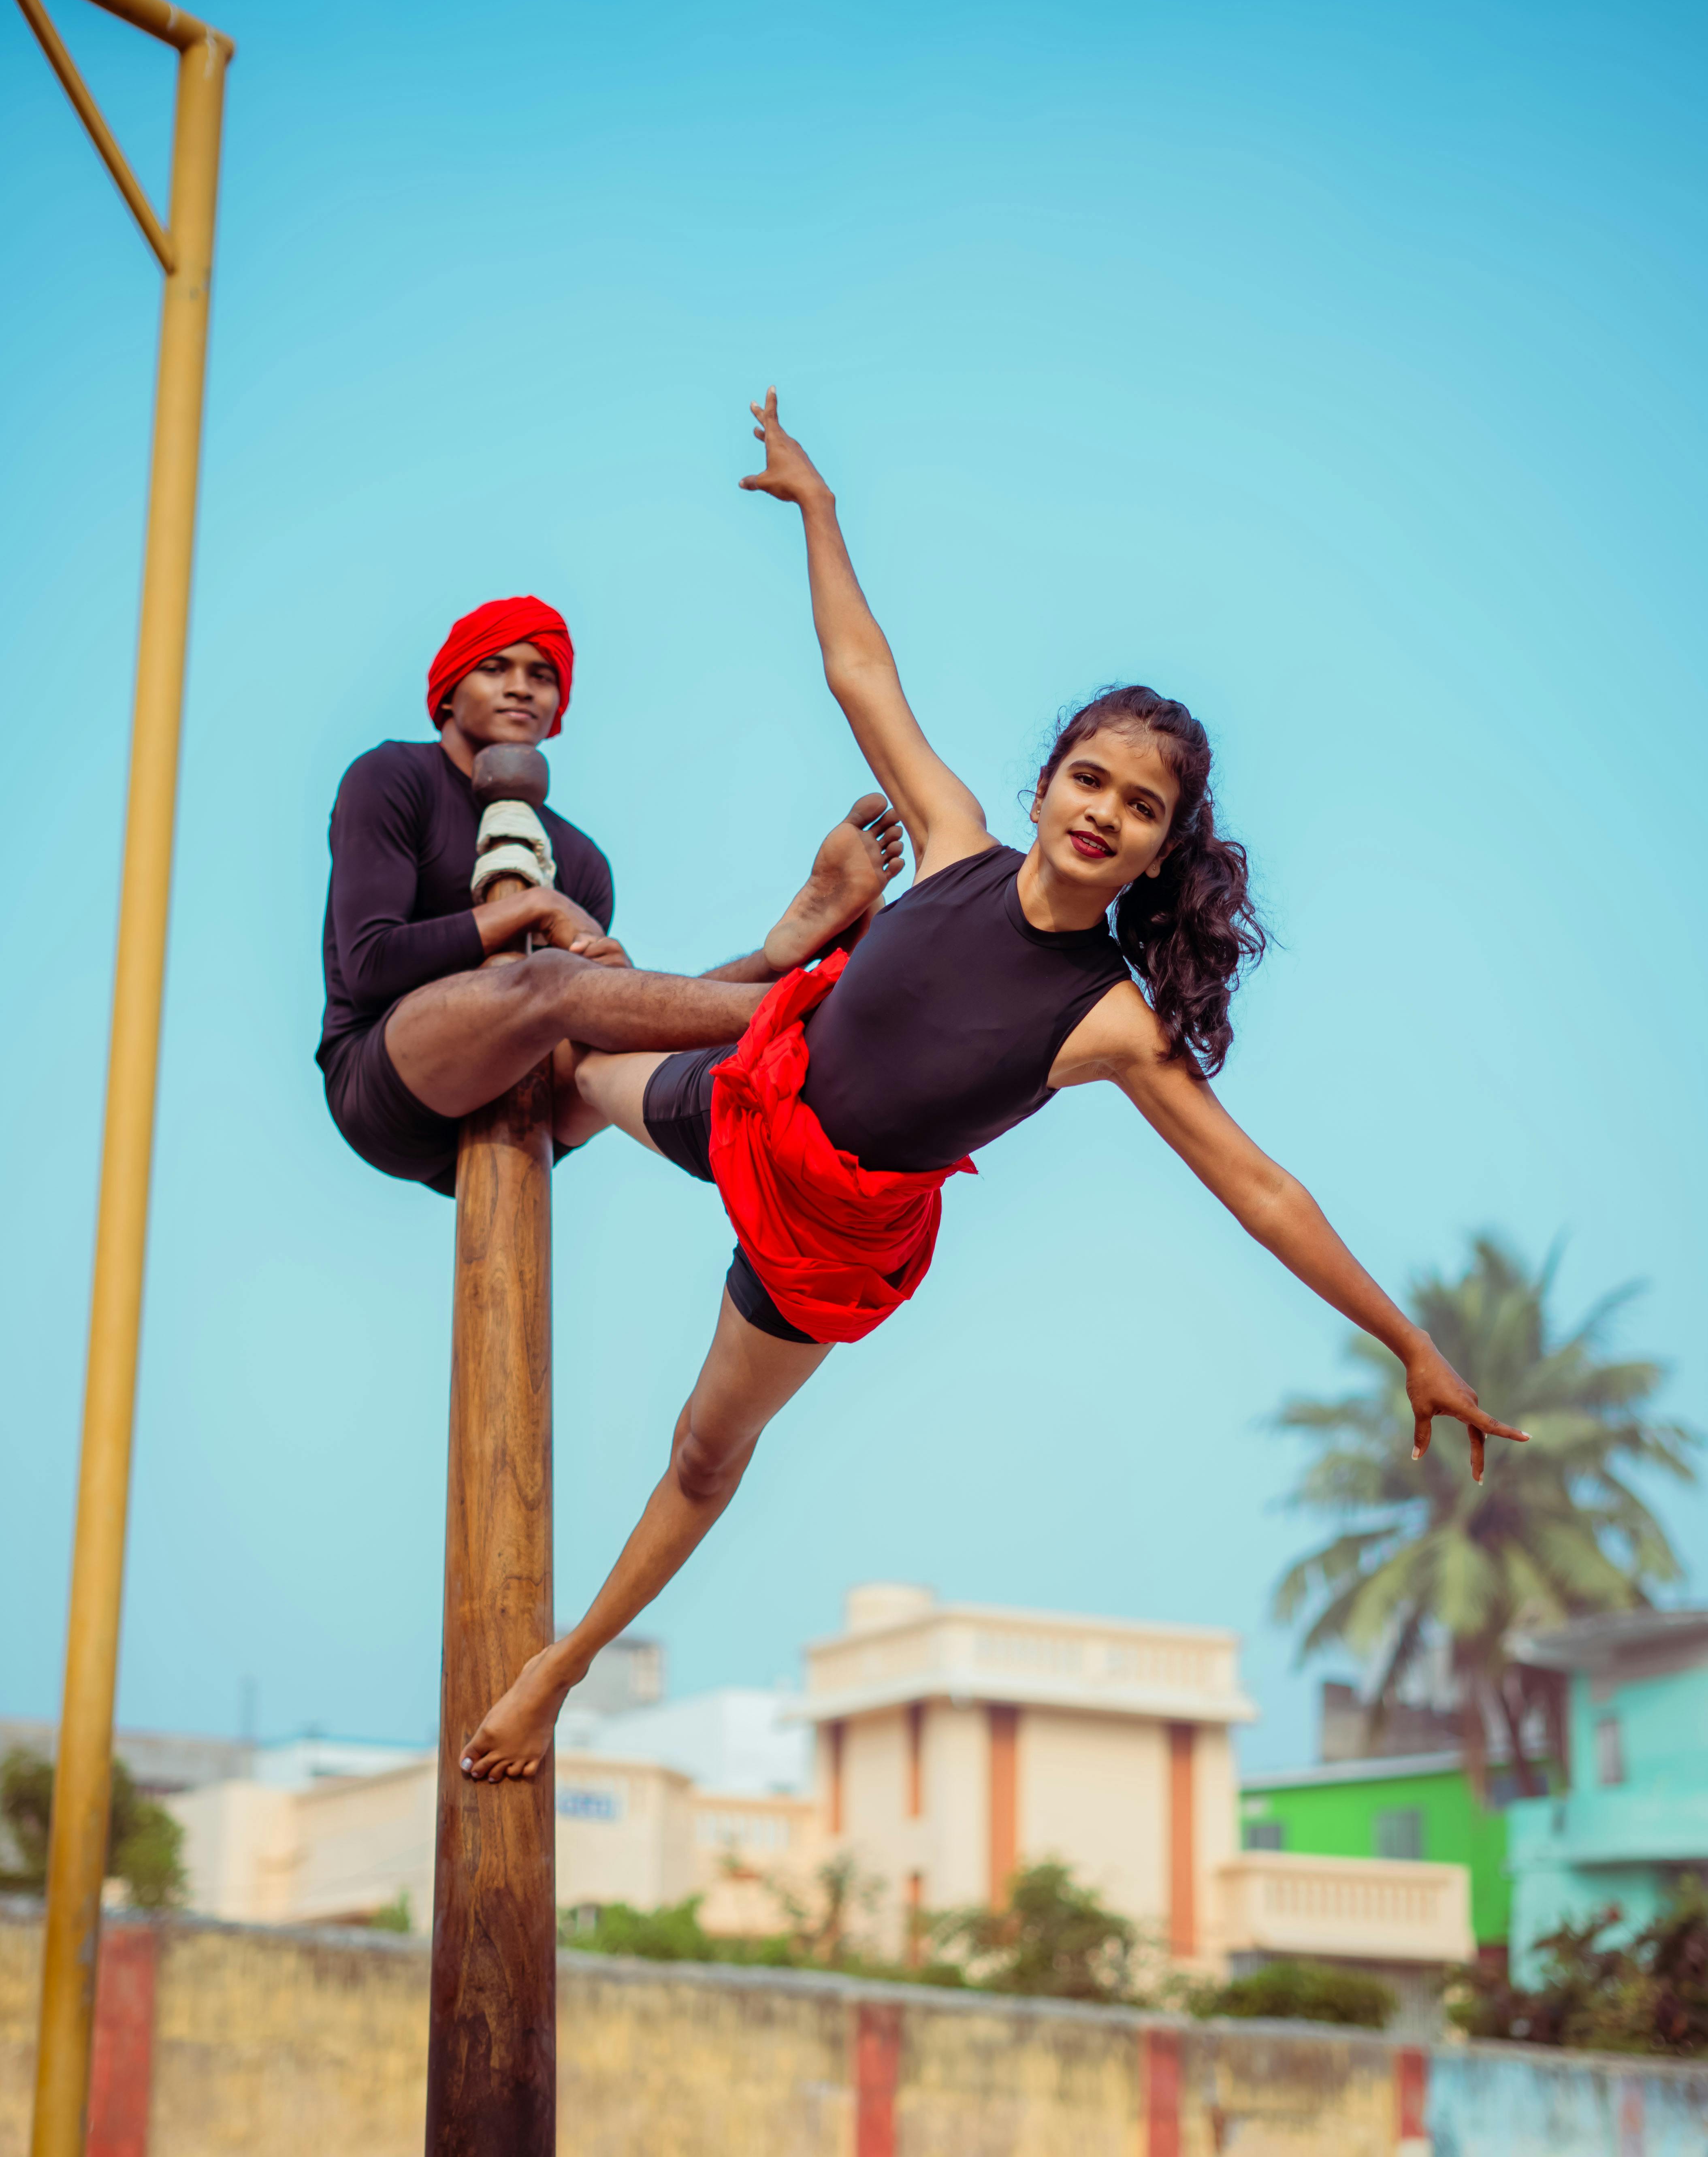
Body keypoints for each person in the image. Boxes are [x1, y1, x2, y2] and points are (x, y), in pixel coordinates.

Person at [460, 390, 1528, 1783]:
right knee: (568, 1066)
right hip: (750, 1100)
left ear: (1152, 855)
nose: (1102, 811)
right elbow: (858, 673)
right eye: (1088, 778)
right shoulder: (953, 838)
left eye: (1138, 809)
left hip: (825, 1233)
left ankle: (560, 1667)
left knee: (704, 1456)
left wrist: (1409, 1343)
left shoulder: (1105, 1023)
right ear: (1042, 787)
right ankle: (494, 1089)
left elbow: (1263, 1192)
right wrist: (821, 509)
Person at [317, 590, 904, 1203]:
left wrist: (603, 971)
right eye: (496, 668)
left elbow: (600, 1018)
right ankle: (818, 1005)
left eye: (541, 676)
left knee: (614, 1030)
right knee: (554, 983)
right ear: (447, 690)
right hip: (388, 1082)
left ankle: (777, 961)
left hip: (541, 1100)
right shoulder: (391, 778)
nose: (520, 687)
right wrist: (534, 907)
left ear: (557, 703)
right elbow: (370, 965)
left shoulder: (578, 859)